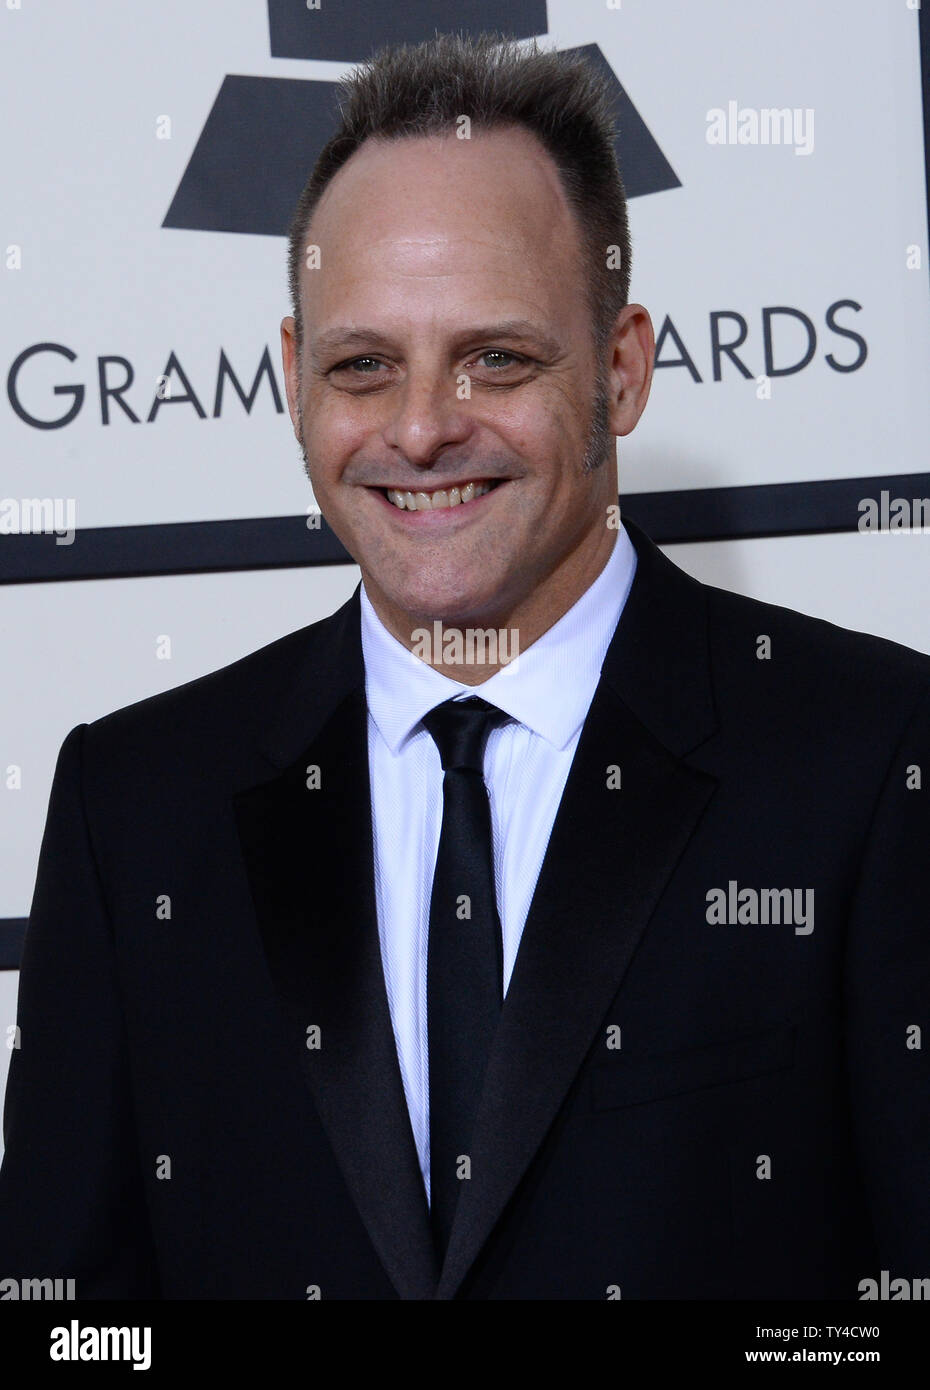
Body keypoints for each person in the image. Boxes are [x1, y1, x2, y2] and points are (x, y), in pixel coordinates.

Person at [0, 32, 927, 1301]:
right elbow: (68, 1326)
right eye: (363, 365)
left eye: (497, 355)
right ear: (292, 380)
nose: (425, 426)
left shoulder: (871, 760)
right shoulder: (137, 807)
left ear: (622, 367)